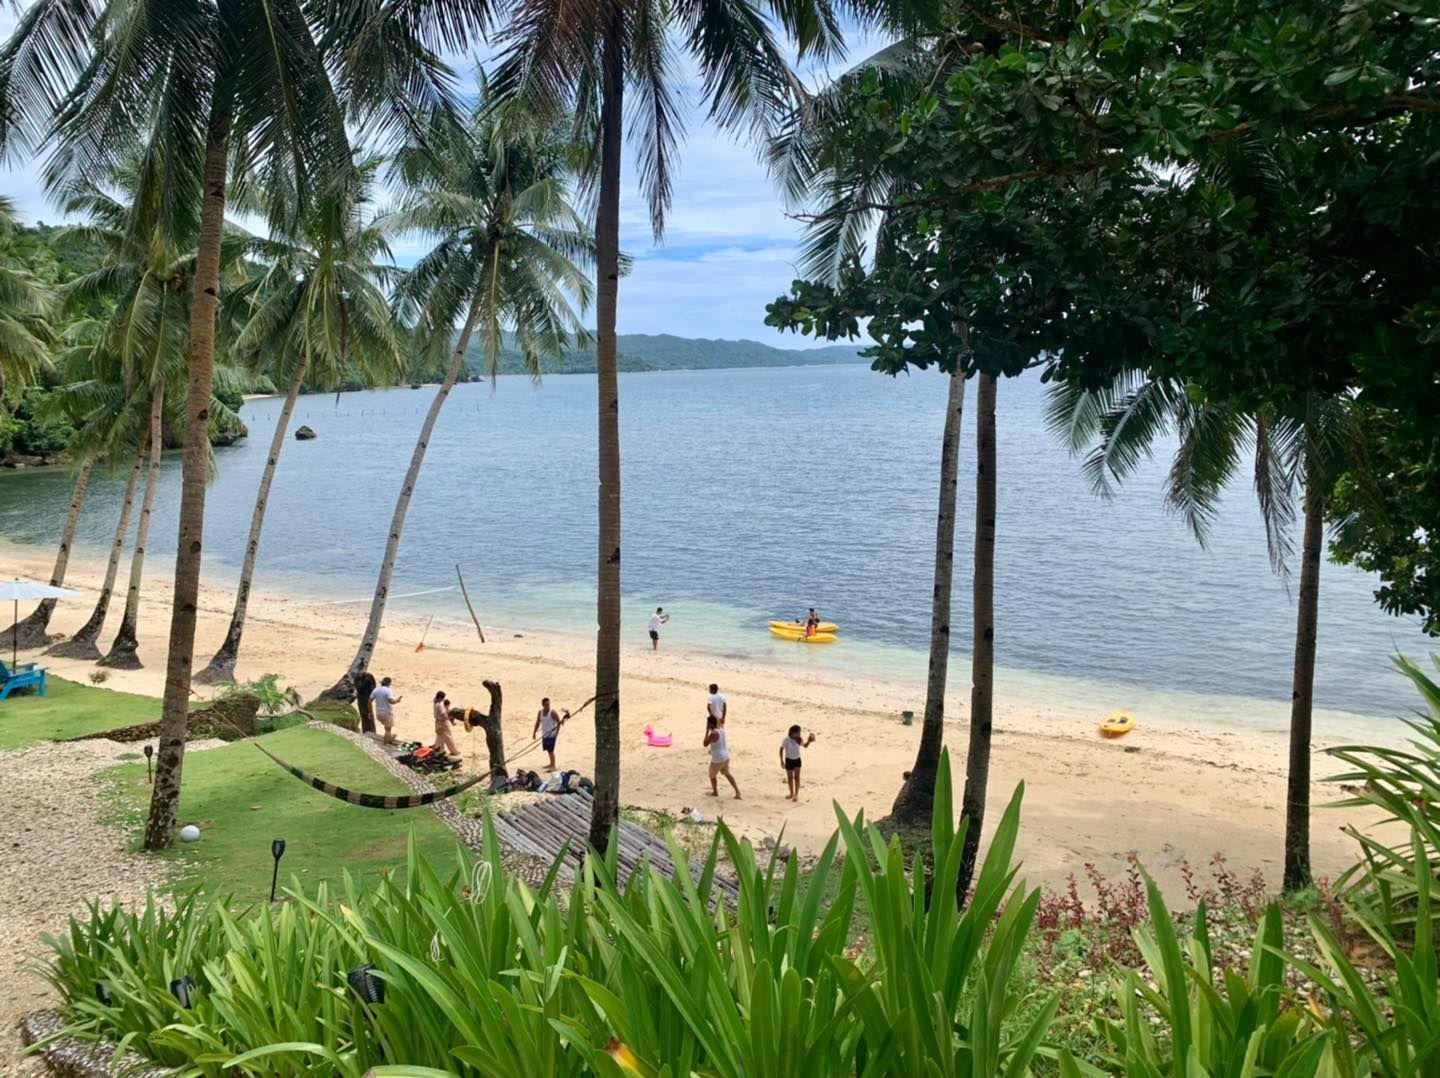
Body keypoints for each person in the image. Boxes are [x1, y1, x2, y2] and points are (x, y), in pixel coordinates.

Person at [704, 714, 740, 799]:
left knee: (712, 775)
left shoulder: (713, 733)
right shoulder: (722, 730)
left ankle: (715, 791)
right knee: (727, 774)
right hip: (725, 756)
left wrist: (706, 732)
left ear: (711, 724)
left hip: (717, 759)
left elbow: (705, 743)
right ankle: (737, 791)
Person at [778, 725, 817, 801]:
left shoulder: (799, 739)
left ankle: (796, 795)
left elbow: (805, 746)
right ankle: (791, 793)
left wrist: (809, 741)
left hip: (797, 760)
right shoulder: (786, 740)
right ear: (793, 733)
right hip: (788, 760)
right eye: (798, 732)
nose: (799, 734)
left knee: (796, 778)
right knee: (790, 778)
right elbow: (781, 749)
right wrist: (781, 761)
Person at [533, 697, 564, 770]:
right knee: (547, 750)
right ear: (542, 705)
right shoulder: (540, 713)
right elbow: (538, 722)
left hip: (551, 735)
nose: (548, 706)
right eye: (546, 704)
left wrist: (556, 734)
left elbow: (559, 722)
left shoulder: (552, 712)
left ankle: (553, 765)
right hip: (545, 735)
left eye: (548, 704)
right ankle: (551, 763)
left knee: (551, 751)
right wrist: (534, 732)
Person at [370, 676, 401, 744]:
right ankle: (385, 745)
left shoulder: (376, 690)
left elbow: (369, 701)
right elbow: (391, 701)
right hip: (387, 713)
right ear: (389, 684)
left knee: (387, 729)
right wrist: (397, 701)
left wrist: (370, 712)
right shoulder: (388, 690)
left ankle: (390, 739)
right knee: (388, 730)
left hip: (378, 713)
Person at [432, 690, 460, 758]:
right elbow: (444, 714)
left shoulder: (435, 702)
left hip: (437, 722)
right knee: (448, 736)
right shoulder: (441, 704)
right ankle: (454, 751)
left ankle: (439, 751)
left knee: (440, 737)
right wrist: (450, 719)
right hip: (443, 723)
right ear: (441, 698)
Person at [355, 670, 378, 735]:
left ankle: (371, 731)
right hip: (362, 699)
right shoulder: (357, 678)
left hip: (367, 698)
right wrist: (366, 682)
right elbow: (359, 688)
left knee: (369, 715)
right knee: (364, 715)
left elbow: (373, 686)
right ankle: (366, 731)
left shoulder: (369, 677)